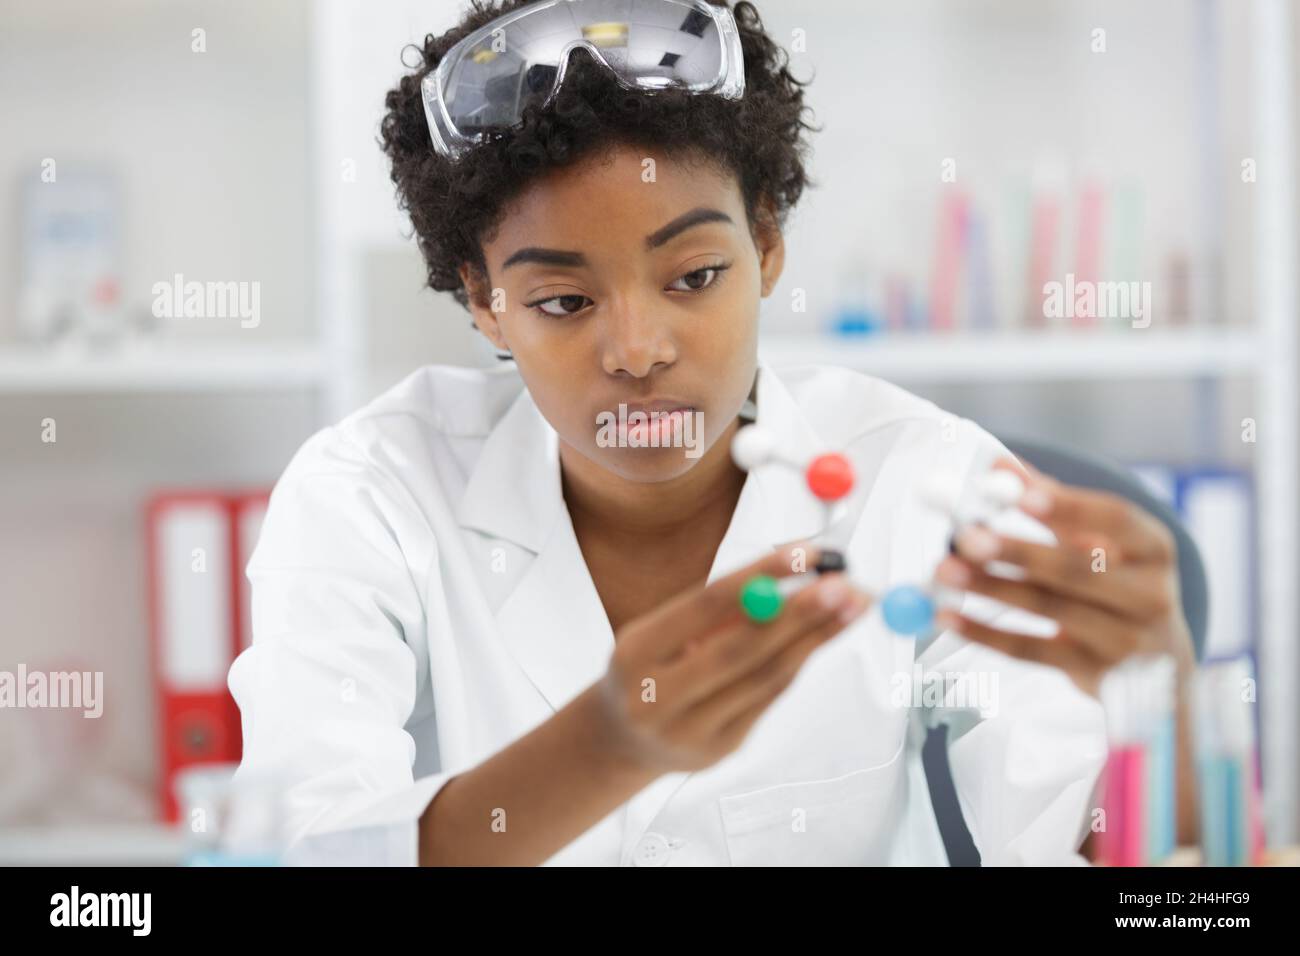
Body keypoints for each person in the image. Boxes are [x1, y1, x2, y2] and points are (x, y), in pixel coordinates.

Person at [228, 0, 1198, 866]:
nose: (639, 349)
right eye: (562, 298)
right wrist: (610, 741)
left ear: (767, 245)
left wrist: (1160, 690)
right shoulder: (369, 493)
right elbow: (303, 846)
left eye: (693, 276)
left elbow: (1127, 872)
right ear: (484, 301)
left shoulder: (921, 480)